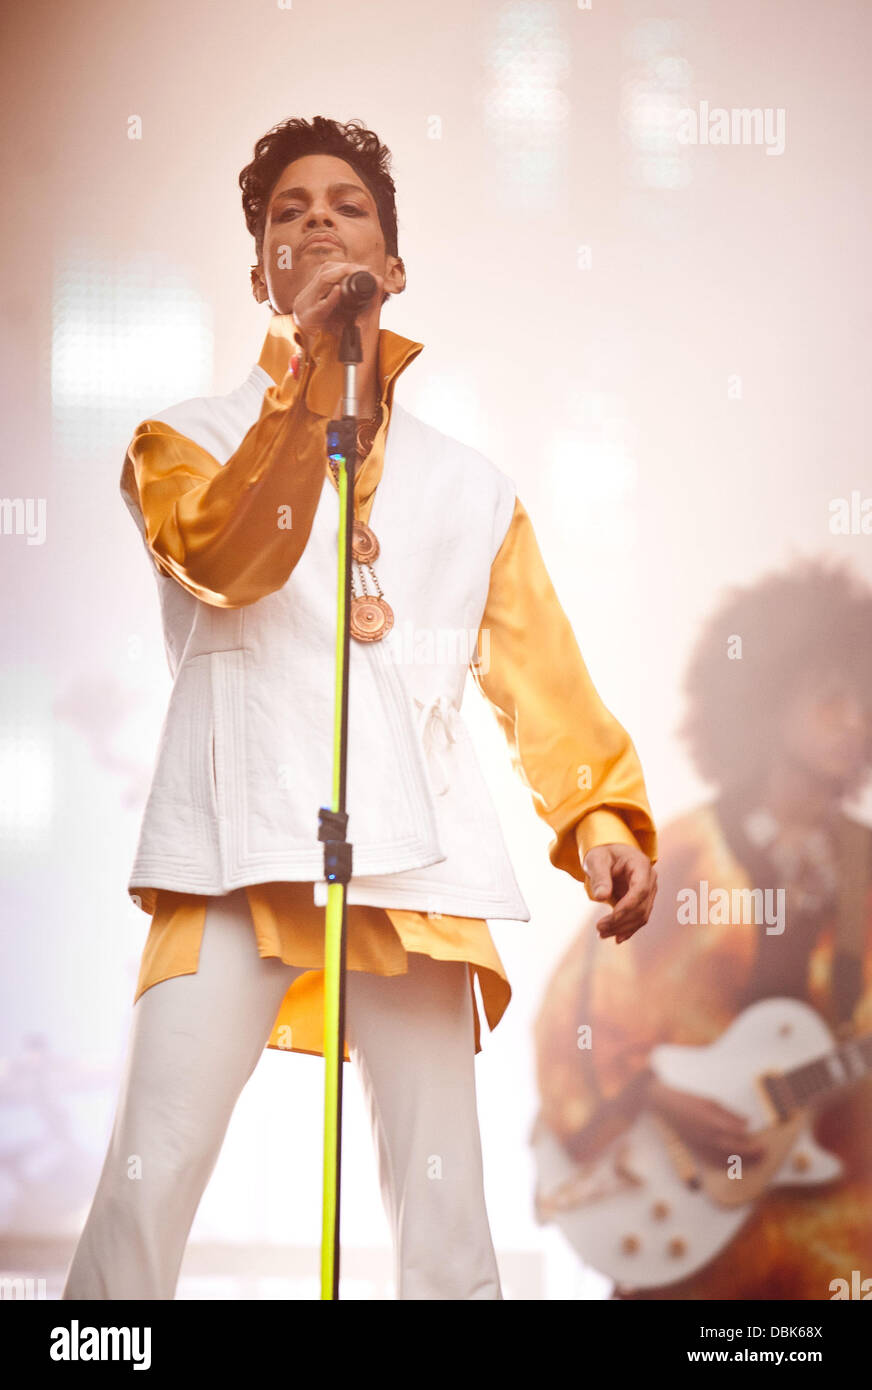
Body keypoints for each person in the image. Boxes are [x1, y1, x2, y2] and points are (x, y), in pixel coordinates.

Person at [61, 115, 658, 1302]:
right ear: (260, 274)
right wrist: (311, 384)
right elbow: (232, 556)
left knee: (445, 1215)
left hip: (415, 865)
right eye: (289, 211)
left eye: (346, 205)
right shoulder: (179, 442)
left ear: (393, 263)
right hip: (229, 853)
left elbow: (534, 676)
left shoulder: (470, 489)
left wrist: (599, 814)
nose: (318, 218)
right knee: (148, 1176)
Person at [533, 558, 872, 1299]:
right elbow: (578, 1015)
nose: (855, 720)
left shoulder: (866, 868)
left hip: (834, 1231)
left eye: (866, 701)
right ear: (768, 701)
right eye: (830, 699)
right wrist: (652, 1093)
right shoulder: (681, 856)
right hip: (681, 1228)